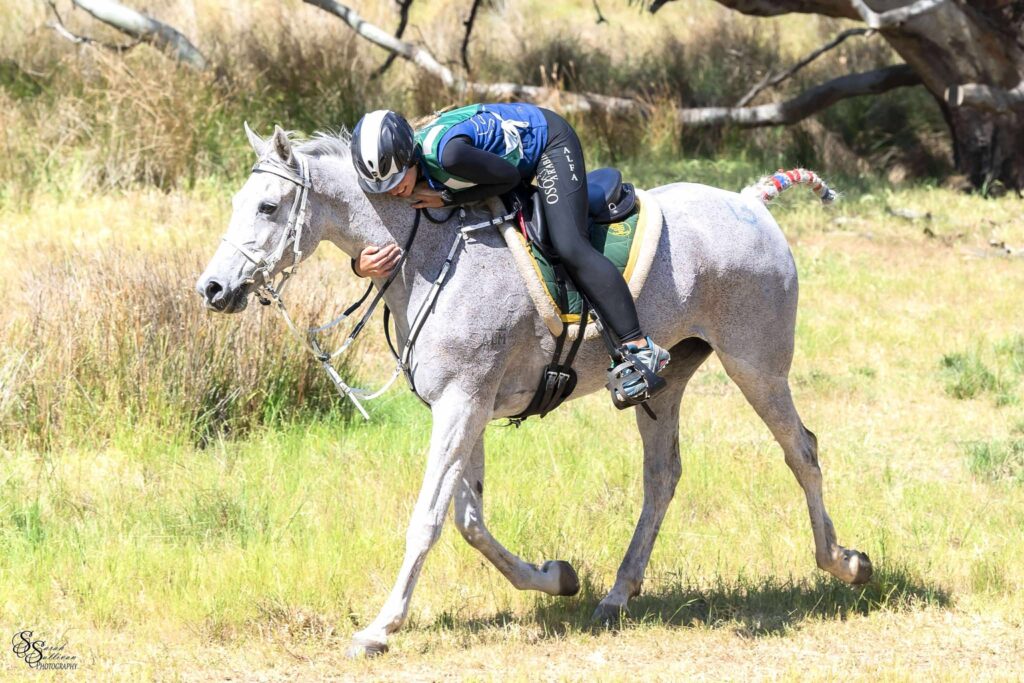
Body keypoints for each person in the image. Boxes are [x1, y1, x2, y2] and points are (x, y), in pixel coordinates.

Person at [348, 104, 670, 403]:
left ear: (410, 157)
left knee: (569, 245)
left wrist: (447, 197)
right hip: (503, 159)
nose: (392, 191)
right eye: (382, 187)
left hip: (549, 144)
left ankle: (639, 347)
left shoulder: (450, 156)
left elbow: (510, 179)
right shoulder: (404, 170)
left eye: (396, 180)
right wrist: (358, 265)